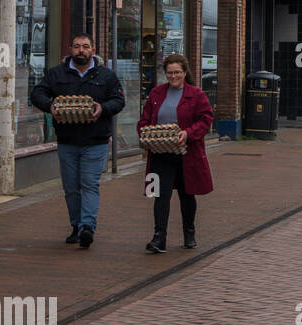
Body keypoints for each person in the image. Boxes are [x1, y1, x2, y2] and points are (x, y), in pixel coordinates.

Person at [29, 34, 125, 248]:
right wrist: (49, 106)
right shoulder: (56, 74)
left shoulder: (106, 76)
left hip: (96, 140)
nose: (81, 50)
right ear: (70, 48)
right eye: (77, 46)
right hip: (67, 140)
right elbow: (37, 94)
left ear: (93, 49)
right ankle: (76, 226)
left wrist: (102, 108)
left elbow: (119, 100)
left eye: (86, 46)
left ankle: (87, 227)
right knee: (71, 187)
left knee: (89, 184)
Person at [137, 54, 215, 253]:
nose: (173, 76)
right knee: (160, 195)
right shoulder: (156, 94)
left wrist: (188, 133)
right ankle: (159, 238)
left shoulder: (196, 95)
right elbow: (144, 120)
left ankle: (189, 232)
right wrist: (145, 133)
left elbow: (206, 120)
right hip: (160, 153)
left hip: (187, 154)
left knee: (187, 194)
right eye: (170, 73)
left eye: (177, 72)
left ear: (185, 72)